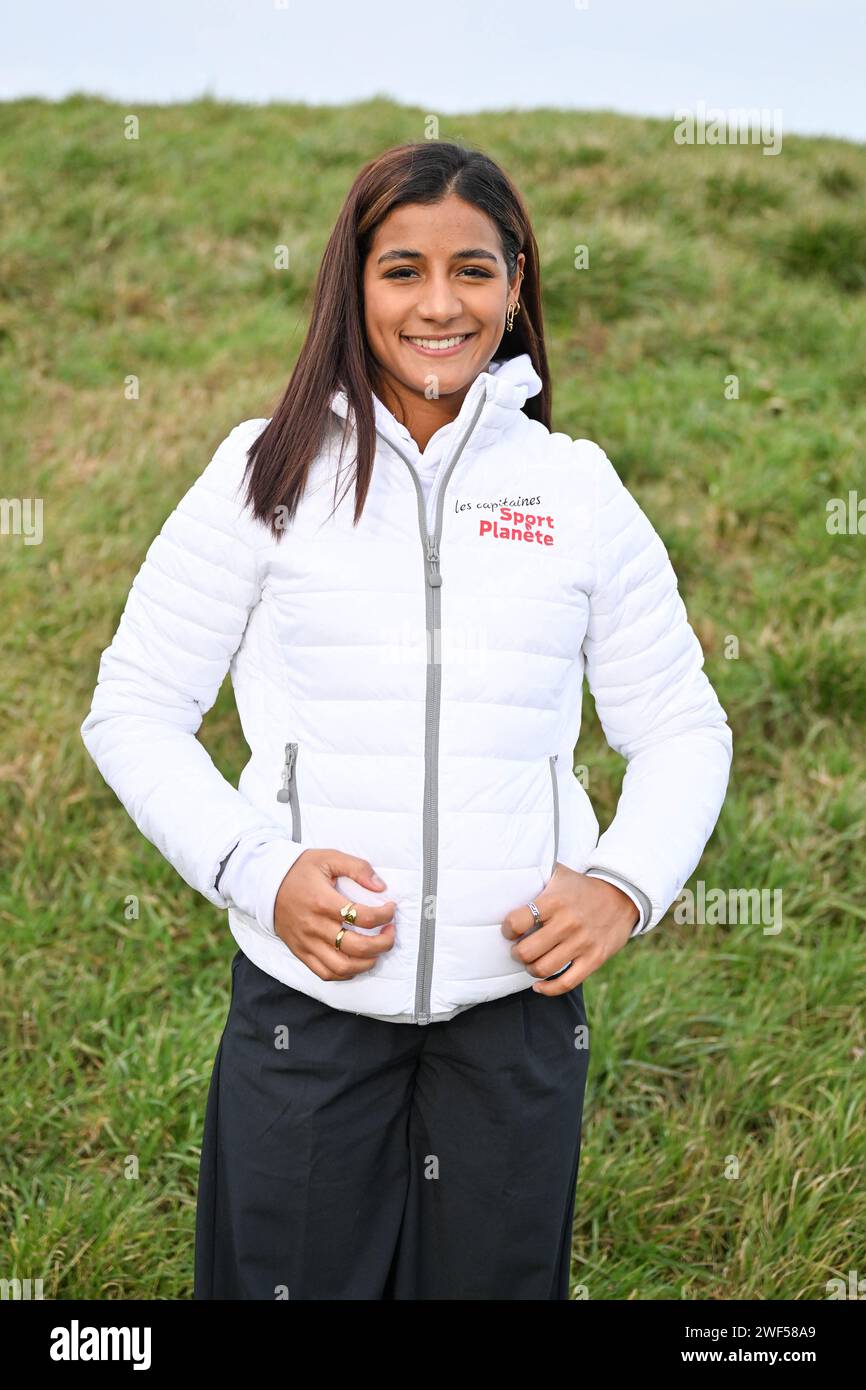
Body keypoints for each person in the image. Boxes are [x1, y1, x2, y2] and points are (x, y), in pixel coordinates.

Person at [79, 139, 733, 1301]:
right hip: (307, 1010)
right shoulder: (264, 472)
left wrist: (623, 883)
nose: (440, 305)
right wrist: (255, 868)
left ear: (517, 284)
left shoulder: (572, 488)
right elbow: (133, 704)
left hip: (513, 1014)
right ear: (353, 280)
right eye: (403, 271)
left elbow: (680, 723)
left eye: (472, 270)